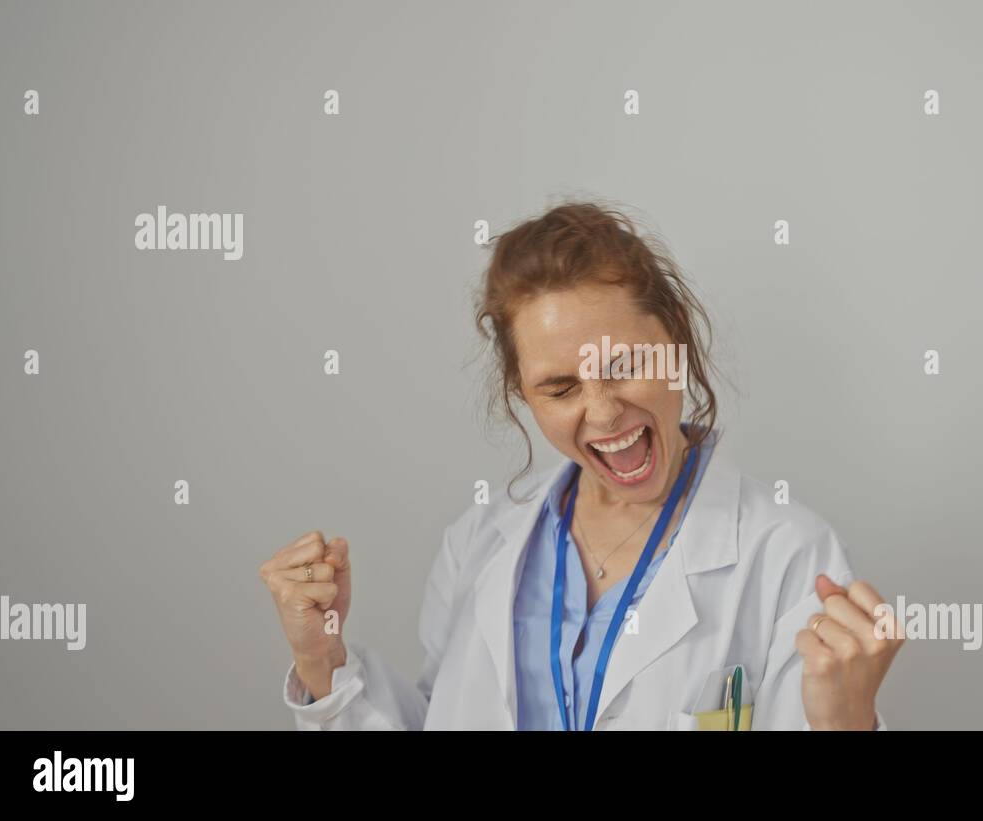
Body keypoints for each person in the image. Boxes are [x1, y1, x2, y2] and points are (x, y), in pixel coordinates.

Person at [258, 202, 904, 730]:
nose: (602, 412)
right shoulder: (481, 543)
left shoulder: (788, 556)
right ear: (522, 393)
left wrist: (847, 723)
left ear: (674, 337)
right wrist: (322, 663)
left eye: (623, 366)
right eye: (560, 388)